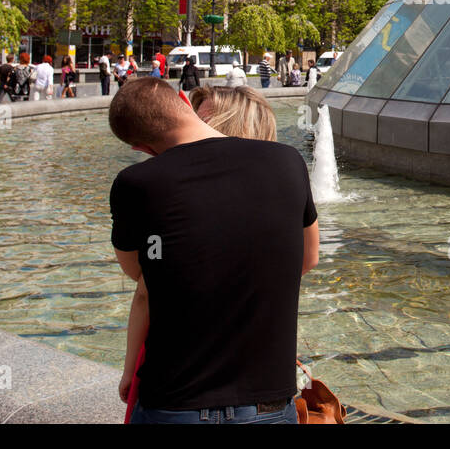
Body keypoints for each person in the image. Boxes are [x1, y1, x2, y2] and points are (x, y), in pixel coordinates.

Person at [108, 77, 318, 425]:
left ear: (141, 148)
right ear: (183, 101)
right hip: (268, 405)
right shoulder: (288, 161)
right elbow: (308, 257)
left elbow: (141, 276)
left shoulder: (135, 184)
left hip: (174, 403)